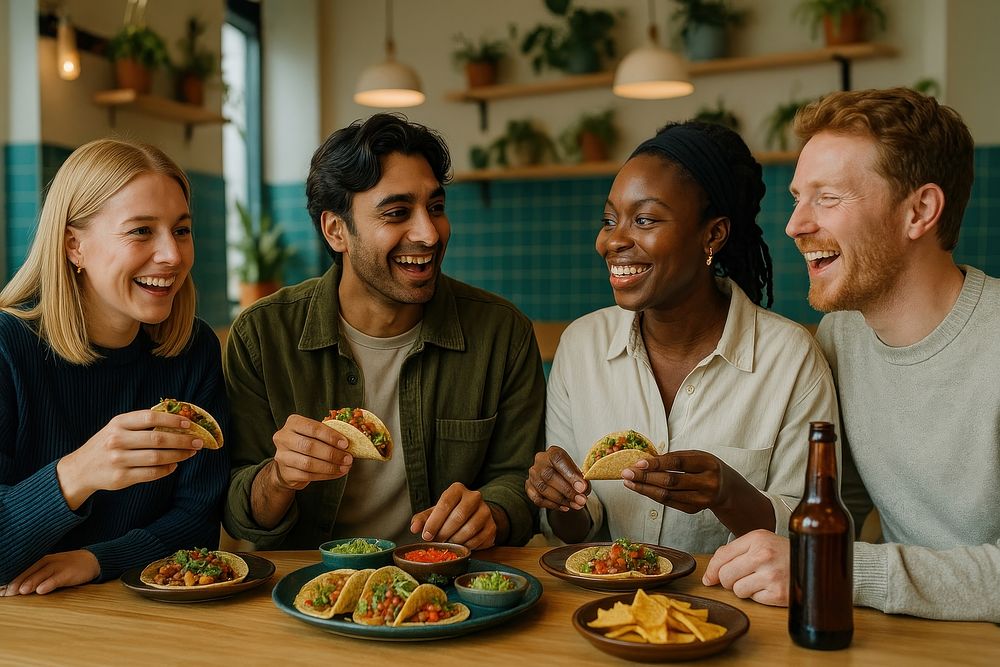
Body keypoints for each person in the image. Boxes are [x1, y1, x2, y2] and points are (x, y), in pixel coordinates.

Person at [703, 88, 1000, 623]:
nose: (795, 225)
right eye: (797, 197)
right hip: (904, 637)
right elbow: (841, 508)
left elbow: (836, 556)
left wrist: (835, 568)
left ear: (920, 211)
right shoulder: (843, 336)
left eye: (829, 197)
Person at [223, 113, 545, 551]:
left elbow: (520, 479)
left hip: (449, 589)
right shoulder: (261, 336)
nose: (428, 234)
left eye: (435, 208)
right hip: (307, 591)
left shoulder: (502, 334)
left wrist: (493, 513)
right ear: (336, 230)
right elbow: (240, 513)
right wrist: (279, 477)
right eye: (397, 213)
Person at [526, 121, 838, 553]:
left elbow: (810, 535)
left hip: (738, 611)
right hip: (601, 611)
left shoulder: (790, 360)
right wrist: (560, 500)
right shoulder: (582, 347)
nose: (613, 240)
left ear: (713, 234)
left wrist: (728, 493)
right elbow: (577, 530)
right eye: (610, 220)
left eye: (644, 219)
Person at [0, 139, 230, 595]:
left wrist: (96, 559)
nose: (172, 255)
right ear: (74, 246)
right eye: (141, 231)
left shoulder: (192, 350)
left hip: (146, 617)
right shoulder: (8, 349)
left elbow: (199, 523)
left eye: (181, 230)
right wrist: (80, 472)